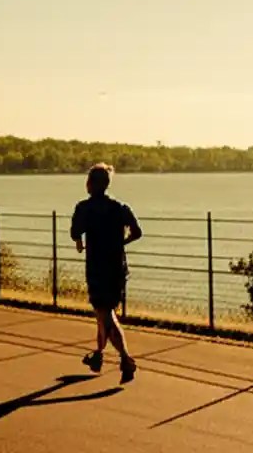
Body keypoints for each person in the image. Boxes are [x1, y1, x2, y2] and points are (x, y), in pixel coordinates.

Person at [71, 163, 143, 383]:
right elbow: (137, 232)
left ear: (90, 184)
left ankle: (126, 359)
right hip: (117, 267)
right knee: (103, 313)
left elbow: (75, 232)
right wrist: (121, 242)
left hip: (96, 267)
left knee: (105, 313)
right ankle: (98, 355)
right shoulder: (120, 207)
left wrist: (80, 242)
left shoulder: (84, 208)